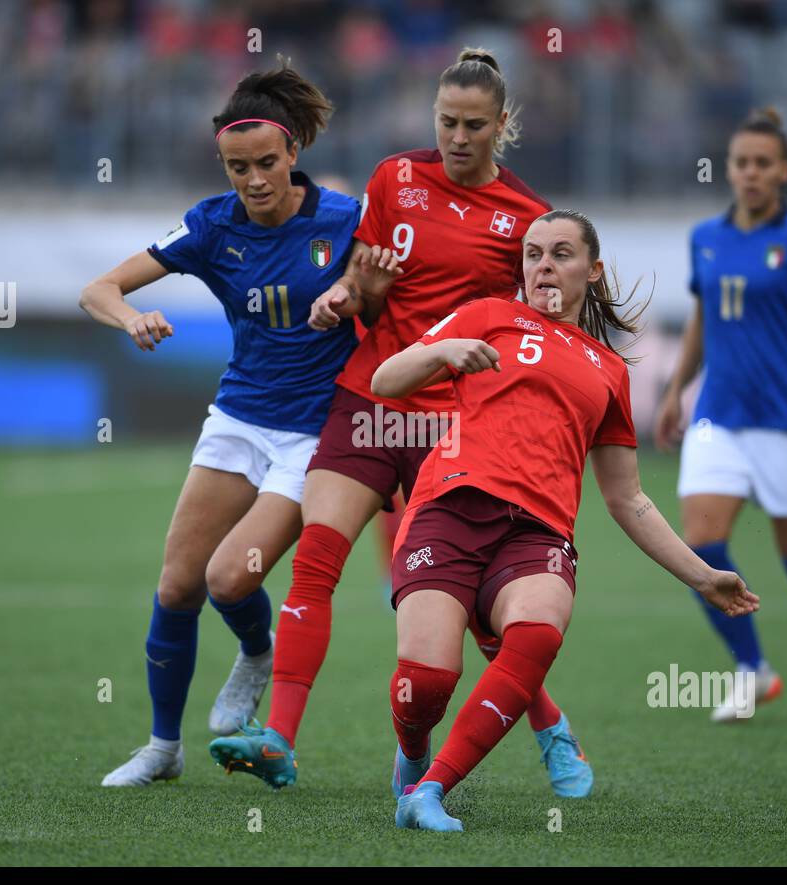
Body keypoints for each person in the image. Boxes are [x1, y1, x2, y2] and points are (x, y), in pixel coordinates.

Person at [209, 48, 596, 798]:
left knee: (462, 598)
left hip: (451, 426)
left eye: (474, 124)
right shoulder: (395, 179)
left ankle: (551, 727)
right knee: (316, 560)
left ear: (502, 125)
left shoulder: (523, 218)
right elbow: (366, 280)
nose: (457, 136)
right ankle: (278, 738)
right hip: (369, 396)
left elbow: (526, 324)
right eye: (446, 121)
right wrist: (347, 297)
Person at [372, 209, 759, 831]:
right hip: (449, 508)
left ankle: (430, 791)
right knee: (426, 682)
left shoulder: (608, 372)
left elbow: (628, 499)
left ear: (593, 269)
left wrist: (704, 576)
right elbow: (385, 379)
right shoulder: (486, 315)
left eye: (560, 253)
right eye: (532, 254)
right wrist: (443, 349)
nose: (543, 266)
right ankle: (413, 752)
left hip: (537, 533)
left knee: (537, 634)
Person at [78, 61, 368, 786]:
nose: (254, 180)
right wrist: (130, 316)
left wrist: (355, 293)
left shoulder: (346, 218)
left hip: (315, 436)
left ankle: (257, 651)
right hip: (238, 418)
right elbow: (98, 289)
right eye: (237, 167)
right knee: (177, 587)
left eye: (266, 163)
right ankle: (162, 750)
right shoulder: (210, 226)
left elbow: (396, 286)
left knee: (228, 581)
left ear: (294, 151)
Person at [654, 107, 787, 727]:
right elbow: (702, 321)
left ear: (784, 171)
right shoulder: (706, 237)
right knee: (700, 544)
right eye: (741, 163)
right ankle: (753, 670)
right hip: (719, 415)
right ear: (729, 169)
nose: (750, 174)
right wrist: (676, 389)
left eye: (762, 164)